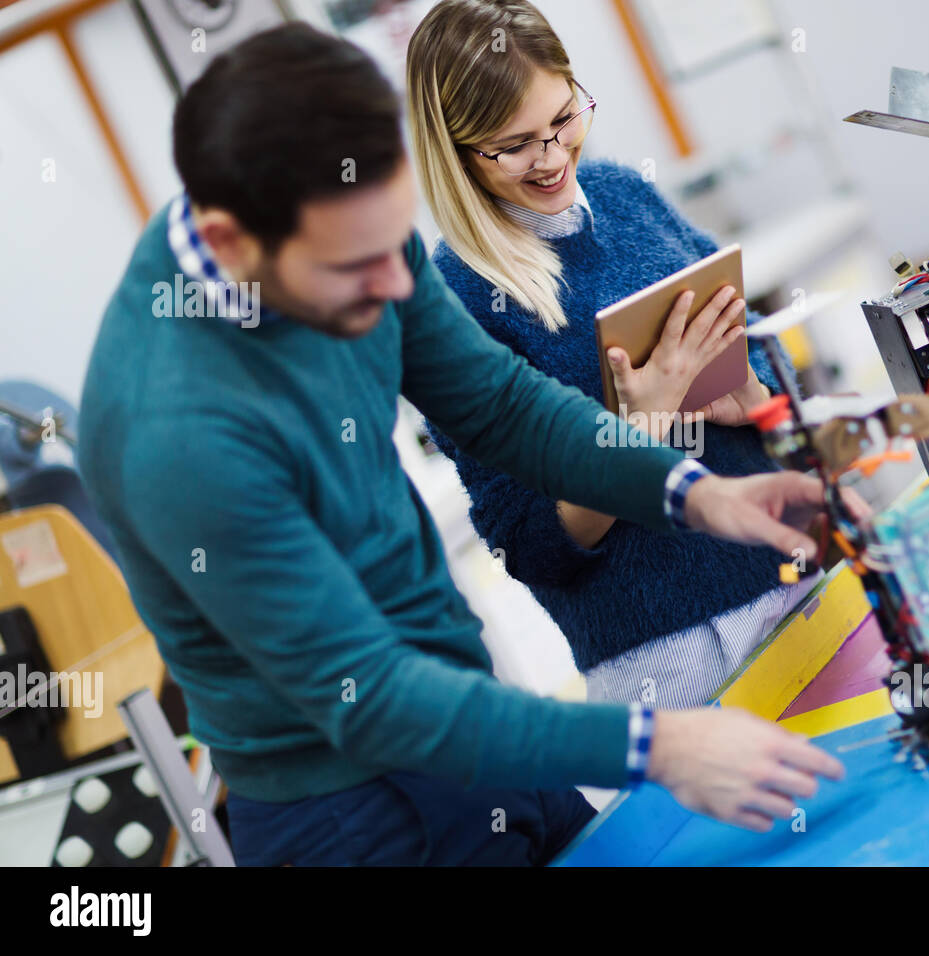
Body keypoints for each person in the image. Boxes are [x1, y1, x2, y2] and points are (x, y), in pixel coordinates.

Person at [76, 23, 843, 866]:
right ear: (229, 246)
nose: (400, 286)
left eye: (397, 241)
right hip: (345, 806)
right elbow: (367, 696)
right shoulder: (178, 436)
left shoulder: (345, 222)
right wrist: (659, 748)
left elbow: (501, 406)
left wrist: (692, 493)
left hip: (474, 720)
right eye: (361, 270)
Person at [406, 0, 822, 709]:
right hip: (675, 657)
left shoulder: (623, 193)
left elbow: (770, 360)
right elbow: (526, 543)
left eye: (564, 119)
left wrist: (747, 394)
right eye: (515, 145)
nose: (554, 157)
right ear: (457, 152)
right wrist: (640, 430)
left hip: (790, 572)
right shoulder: (453, 302)